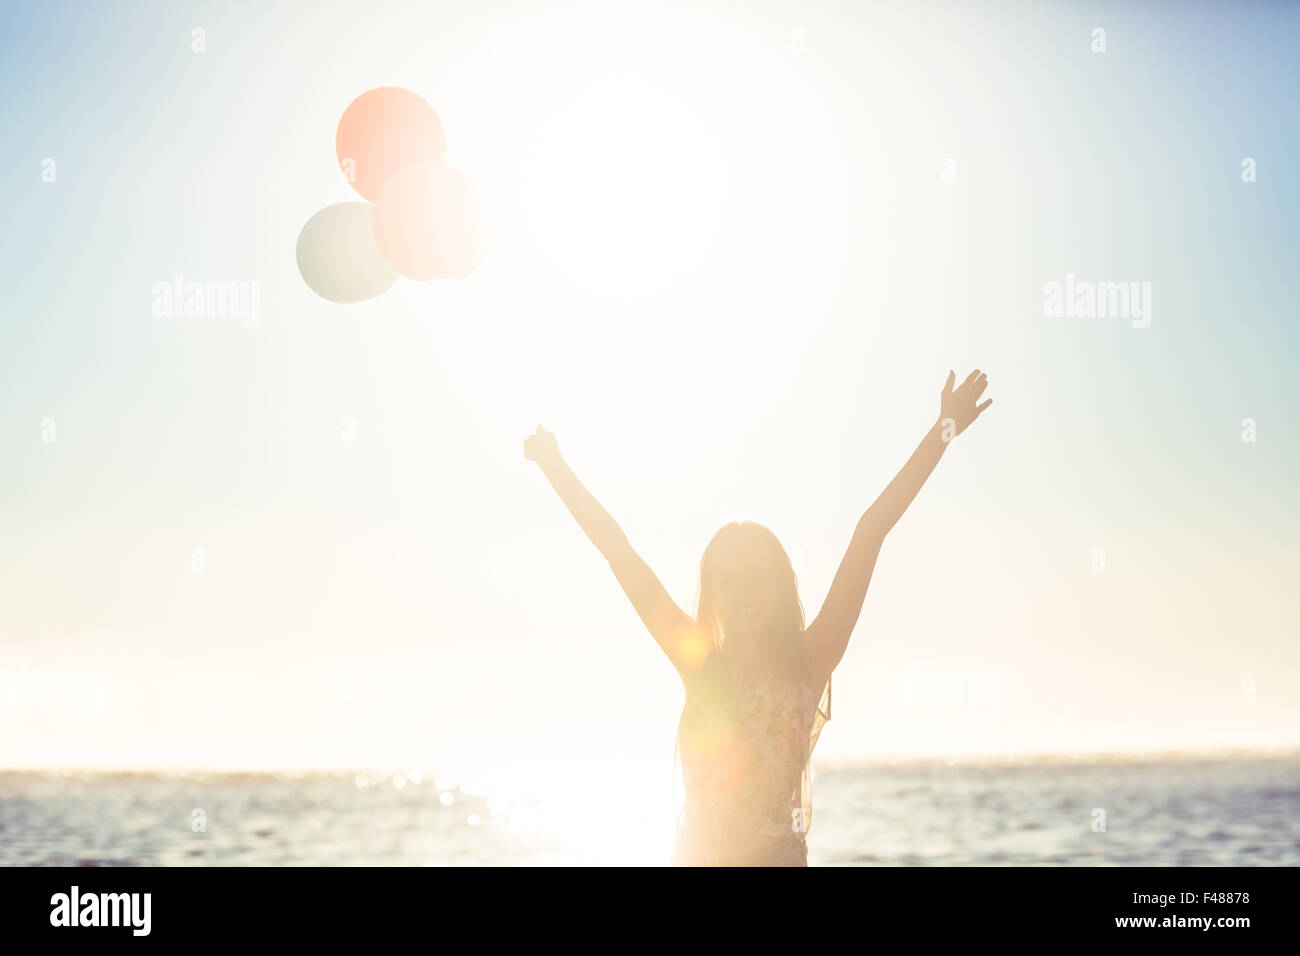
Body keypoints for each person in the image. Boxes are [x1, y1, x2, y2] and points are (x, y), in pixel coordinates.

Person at [524, 370, 993, 865]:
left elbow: (871, 530)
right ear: (713, 592)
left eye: (756, 577)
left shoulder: (810, 660)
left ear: (782, 584)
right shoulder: (699, 662)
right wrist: (554, 466)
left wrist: (942, 431)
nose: (744, 593)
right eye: (728, 580)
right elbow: (619, 553)